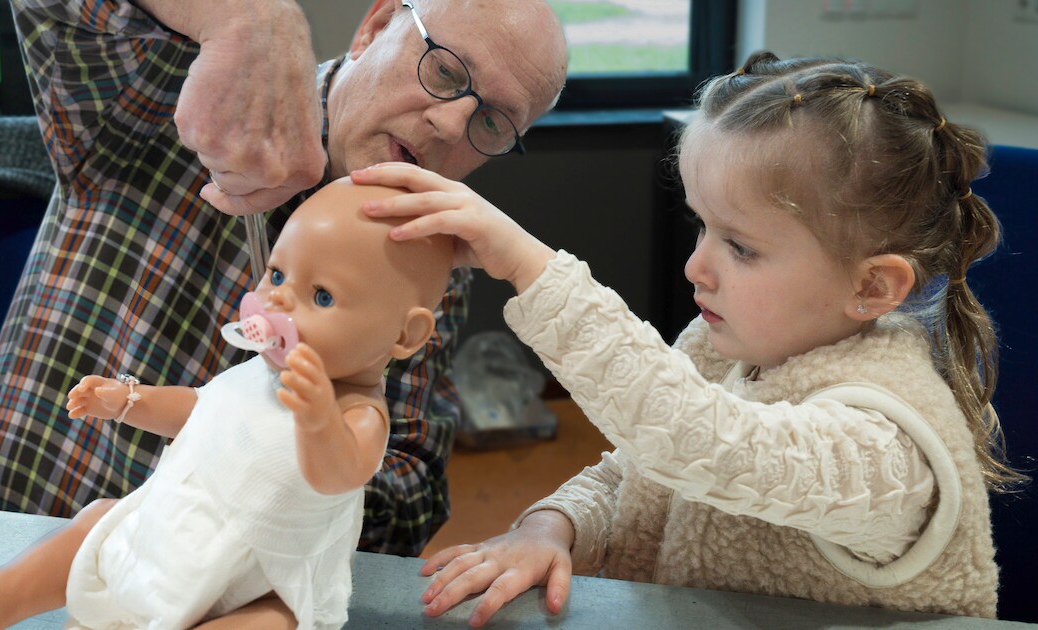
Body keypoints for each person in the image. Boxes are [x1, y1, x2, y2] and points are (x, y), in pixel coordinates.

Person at [351, 52, 1025, 625]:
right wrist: (551, 527)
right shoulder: (718, 349)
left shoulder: (889, 450)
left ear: (874, 288)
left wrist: (526, 265)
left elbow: (711, 447)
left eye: (740, 246)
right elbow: (635, 473)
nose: (695, 265)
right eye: (701, 226)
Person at [0, 0, 567, 555]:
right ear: (374, 28)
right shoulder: (184, 84)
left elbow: (412, 495)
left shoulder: (423, 259)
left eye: (492, 123)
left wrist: (314, 453)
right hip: (25, 526)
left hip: (207, 593)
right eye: (445, 71)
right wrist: (244, 16)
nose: (454, 125)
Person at [0, 178, 457, 629]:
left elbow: (338, 474)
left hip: (262, 579)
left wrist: (318, 418)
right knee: (99, 518)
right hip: (182, 531)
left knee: (272, 622)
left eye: (321, 296)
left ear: (405, 336)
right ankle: (0, 598)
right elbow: (197, 408)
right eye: (276, 275)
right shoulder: (257, 370)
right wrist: (127, 400)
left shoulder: (359, 415)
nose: (277, 300)